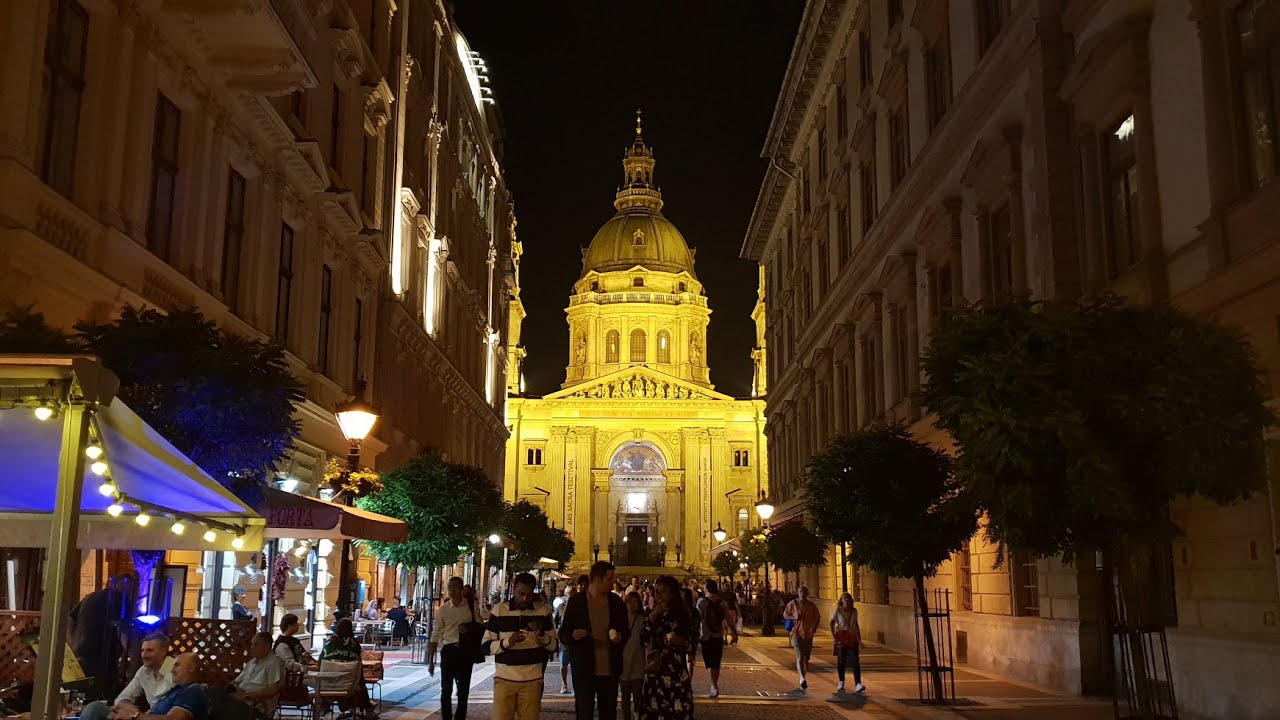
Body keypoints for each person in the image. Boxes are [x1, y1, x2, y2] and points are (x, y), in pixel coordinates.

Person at [483, 573, 559, 719]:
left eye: (529, 595)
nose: (525, 599)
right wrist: (508, 642)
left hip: (532, 680)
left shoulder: (542, 612)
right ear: (513, 588)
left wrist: (541, 633)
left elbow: (554, 646)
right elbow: (486, 646)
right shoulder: (499, 610)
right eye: (521, 594)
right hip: (504, 679)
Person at [559, 561, 629, 720]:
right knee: (584, 712)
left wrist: (620, 637)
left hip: (610, 669)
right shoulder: (576, 602)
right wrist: (573, 635)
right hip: (584, 669)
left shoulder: (616, 602)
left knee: (608, 713)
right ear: (598, 579)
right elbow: (563, 634)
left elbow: (625, 630)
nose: (614, 582)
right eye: (610, 579)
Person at [82, 632, 173, 720]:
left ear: (163, 651)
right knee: (95, 707)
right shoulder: (144, 671)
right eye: (142, 650)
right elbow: (122, 698)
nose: (144, 655)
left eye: (149, 650)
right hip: (142, 717)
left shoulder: (175, 670)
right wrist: (131, 710)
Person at [639, 576, 694, 720]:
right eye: (657, 592)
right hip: (656, 672)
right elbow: (643, 638)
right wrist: (653, 615)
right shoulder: (651, 614)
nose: (659, 596)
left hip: (676, 673)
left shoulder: (683, 615)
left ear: (673, 594)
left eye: (663, 592)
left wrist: (681, 641)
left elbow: (691, 644)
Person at [429, 577, 479, 720]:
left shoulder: (470, 607)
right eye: (450, 587)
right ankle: (446, 717)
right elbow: (436, 633)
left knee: (463, 690)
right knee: (446, 689)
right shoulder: (443, 610)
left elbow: (480, 625)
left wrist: (469, 628)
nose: (452, 590)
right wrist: (431, 662)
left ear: (462, 589)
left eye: (456, 587)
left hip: (465, 651)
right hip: (449, 651)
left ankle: (460, 717)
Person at [110, 653, 208, 720]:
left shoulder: (193, 691)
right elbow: (148, 714)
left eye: (177, 665)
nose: (172, 670)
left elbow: (172, 719)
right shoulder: (175, 691)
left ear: (192, 667)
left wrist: (134, 716)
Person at [319, 619, 375, 716]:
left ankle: (324, 708)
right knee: (360, 680)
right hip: (349, 684)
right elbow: (358, 664)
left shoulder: (329, 642)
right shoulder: (354, 644)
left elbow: (320, 662)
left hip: (328, 683)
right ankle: (366, 708)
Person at [227, 632, 284, 720]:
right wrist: (233, 690)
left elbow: (273, 690)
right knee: (214, 693)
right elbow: (236, 681)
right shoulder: (252, 662)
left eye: (256, 644)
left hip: (254, 705)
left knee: (219, 705)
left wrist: (247, 696)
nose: (252, 647)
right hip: (237, 698)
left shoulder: (274, 662)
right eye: (252, 644)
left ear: (267, 647)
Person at [782, 584, 821, 690]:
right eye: (800, 592)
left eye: (804, 592)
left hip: (808, 634)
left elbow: (817, 618)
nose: (802, 594)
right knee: (799, 656)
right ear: (798, 593)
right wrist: (793, 616)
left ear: (807, 593)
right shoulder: (793, 604)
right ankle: (802, 678)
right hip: (796, 633)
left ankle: (803, 676)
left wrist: (814, 628)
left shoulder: (812, 606)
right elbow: (785, 615)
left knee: (806, 658)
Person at [695, 580, 728, 698]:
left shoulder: (701, 602)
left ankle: (713, 684)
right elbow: (727, 618)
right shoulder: (722, 603)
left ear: (707, 589)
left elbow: (696, 618)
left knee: (709, 661)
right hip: (718, 635)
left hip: (705, 635)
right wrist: (734, 632)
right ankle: (714, 685)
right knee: (716, 662)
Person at [618, 592, 646, 720]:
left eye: (635, 602)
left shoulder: (642, 619)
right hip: (623, 662)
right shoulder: (620, 618)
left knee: (638, 696)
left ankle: (637, 716)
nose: (632, 605)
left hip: (638, 662)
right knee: (624, 697)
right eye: (630, 602)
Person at [831, 592, 864, 694]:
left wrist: (859, 640)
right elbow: (831, 622)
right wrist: (834, 637)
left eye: (848, 598)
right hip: (842, 638)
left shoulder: (854, 611)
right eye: (844, 598)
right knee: (842, 661)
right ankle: (841, 681)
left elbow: (856, 625)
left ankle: (858, 683)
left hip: (852, 638)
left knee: (855, 661)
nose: (846, 600)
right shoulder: (838, 610)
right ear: (841, 600)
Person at [552, 582, 576, 694]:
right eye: (569, 594)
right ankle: (564, 684)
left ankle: (576, 684)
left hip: (576, 639)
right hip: (564, 639)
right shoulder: (561, 607)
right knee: (563, 663)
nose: (570, 596)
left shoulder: (579, 607)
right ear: (565, 595)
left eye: (572, 594)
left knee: (576, 664)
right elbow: (556, 621)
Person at [680, 588, 701, 684]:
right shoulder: (695, 611)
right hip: (691, 638)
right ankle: (689, 680)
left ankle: (684, 680)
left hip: (682, 637)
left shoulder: (679, 611)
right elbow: (697, 626)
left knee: (682, 660)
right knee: (690, 661)